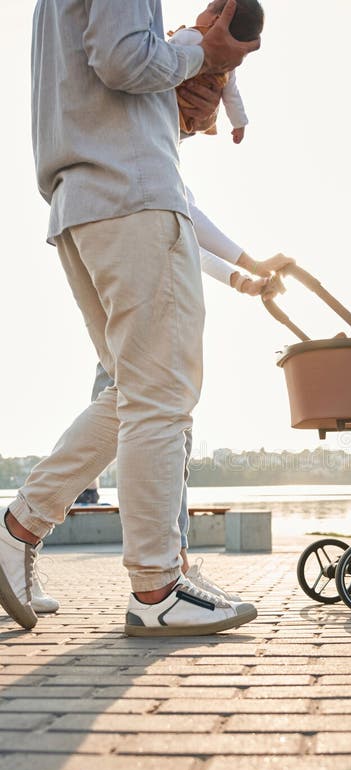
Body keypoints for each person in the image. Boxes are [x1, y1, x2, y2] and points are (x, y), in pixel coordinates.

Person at [0, 0, 265, 636]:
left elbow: (115, 70)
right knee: (161, 399)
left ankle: (17, 532)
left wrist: (183, 72)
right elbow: (125, 60)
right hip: (131, 201)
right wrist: (205, 53)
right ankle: (156, 588)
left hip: (82, 203)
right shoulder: (167, 60)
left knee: (132, 396)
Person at [33, 193, 292, 616]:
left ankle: (170, 569)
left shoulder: (129, 156)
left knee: (163, 422)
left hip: (93, 233)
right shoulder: (139, 145)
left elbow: (182, 221)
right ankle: (24, 531)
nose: (203, 123)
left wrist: (243, 274)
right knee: (158, 417)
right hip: (133, 263)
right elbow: (179, 217)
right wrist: (246, 269)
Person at [172, 0, 264, 141]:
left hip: (167, 99)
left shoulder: (190, 35)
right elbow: (232, 95)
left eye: (208, 7)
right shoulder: (227, 66)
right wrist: (239, 123)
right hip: (186, 121)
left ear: (217, 20)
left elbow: (162, 57)